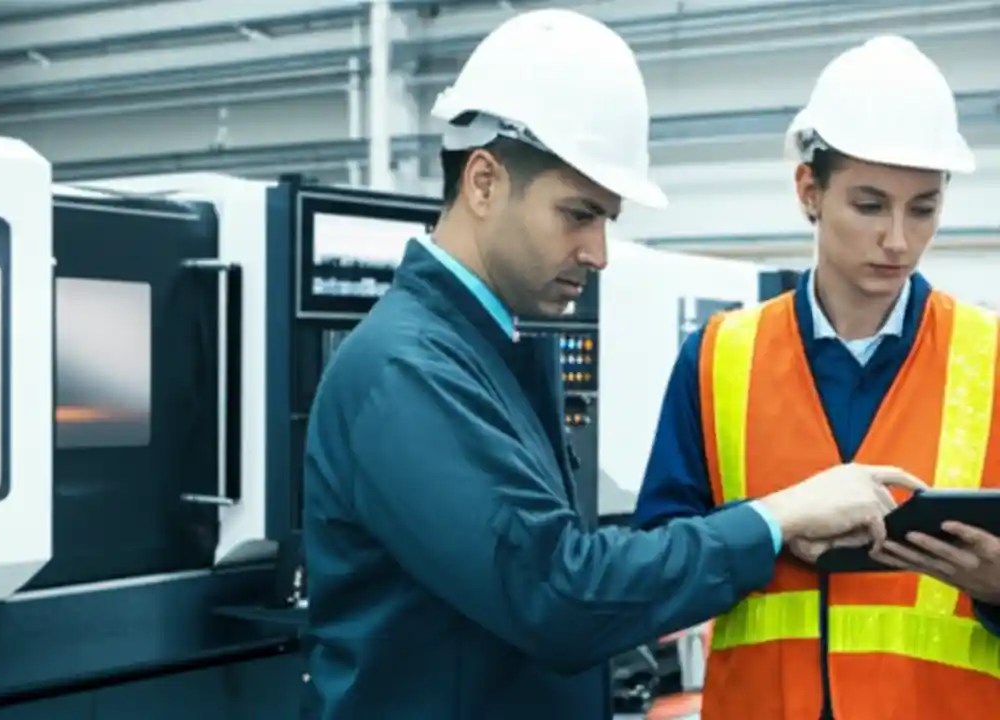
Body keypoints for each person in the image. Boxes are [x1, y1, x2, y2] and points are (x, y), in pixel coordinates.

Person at [299, 11, 926, 720]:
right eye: (578, 215)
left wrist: (772, 528)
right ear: (483, 183)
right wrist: (773, 519)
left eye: (605, 221)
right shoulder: (405, 369)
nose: (598, 253)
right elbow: (555, 593)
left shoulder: (483, 353)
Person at [633, 35, 1000, 720]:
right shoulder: (716, 358)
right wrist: (768, 528)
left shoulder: (993, 359)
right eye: (870, 205)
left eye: (923, 208)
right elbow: (655, 574)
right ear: (810, 190)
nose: (899, 239)